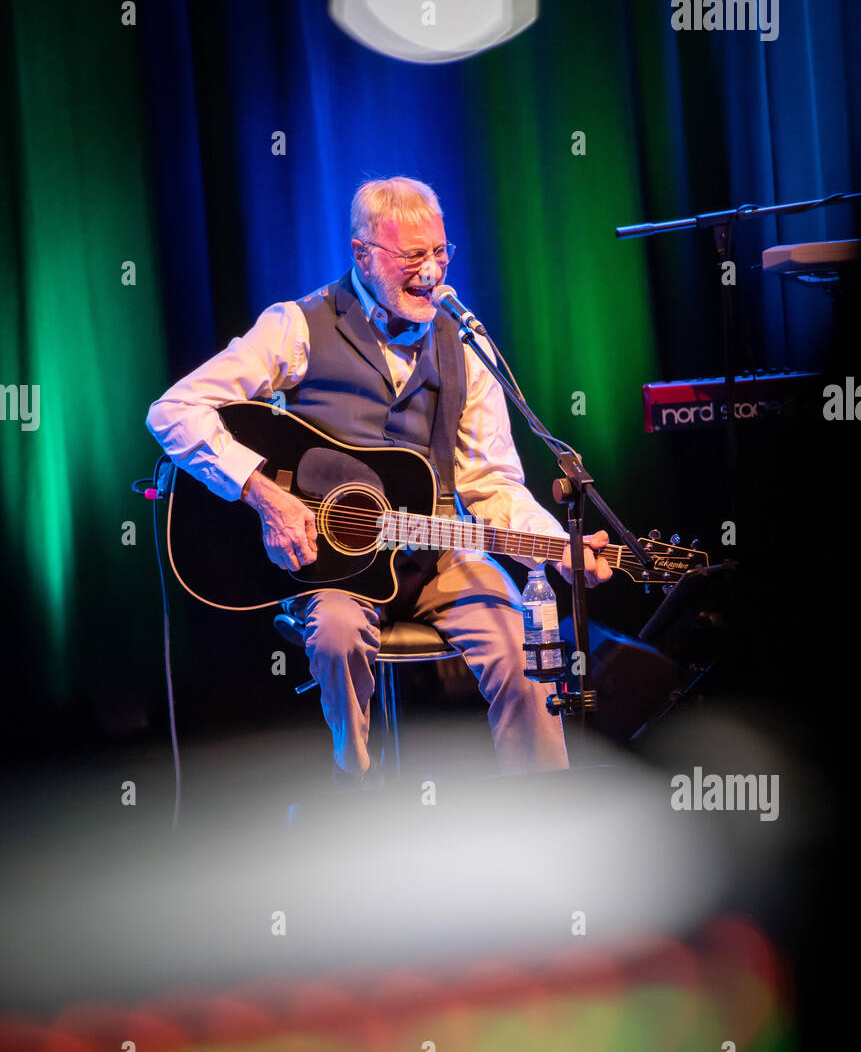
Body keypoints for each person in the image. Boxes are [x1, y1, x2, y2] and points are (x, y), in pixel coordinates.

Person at [147, 176, 612, 784]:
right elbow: (174, 411)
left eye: (441, 252)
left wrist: (558, 550)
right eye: (413, 255)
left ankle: (545, 814)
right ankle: (355, 786)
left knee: (517, 638)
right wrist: (264, 495)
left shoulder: (465, 346)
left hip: (436, 550)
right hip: (330, 561)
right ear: (362, 253)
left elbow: (494, 484)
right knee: (339, 635)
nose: (432, 271)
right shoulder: (298, 326)